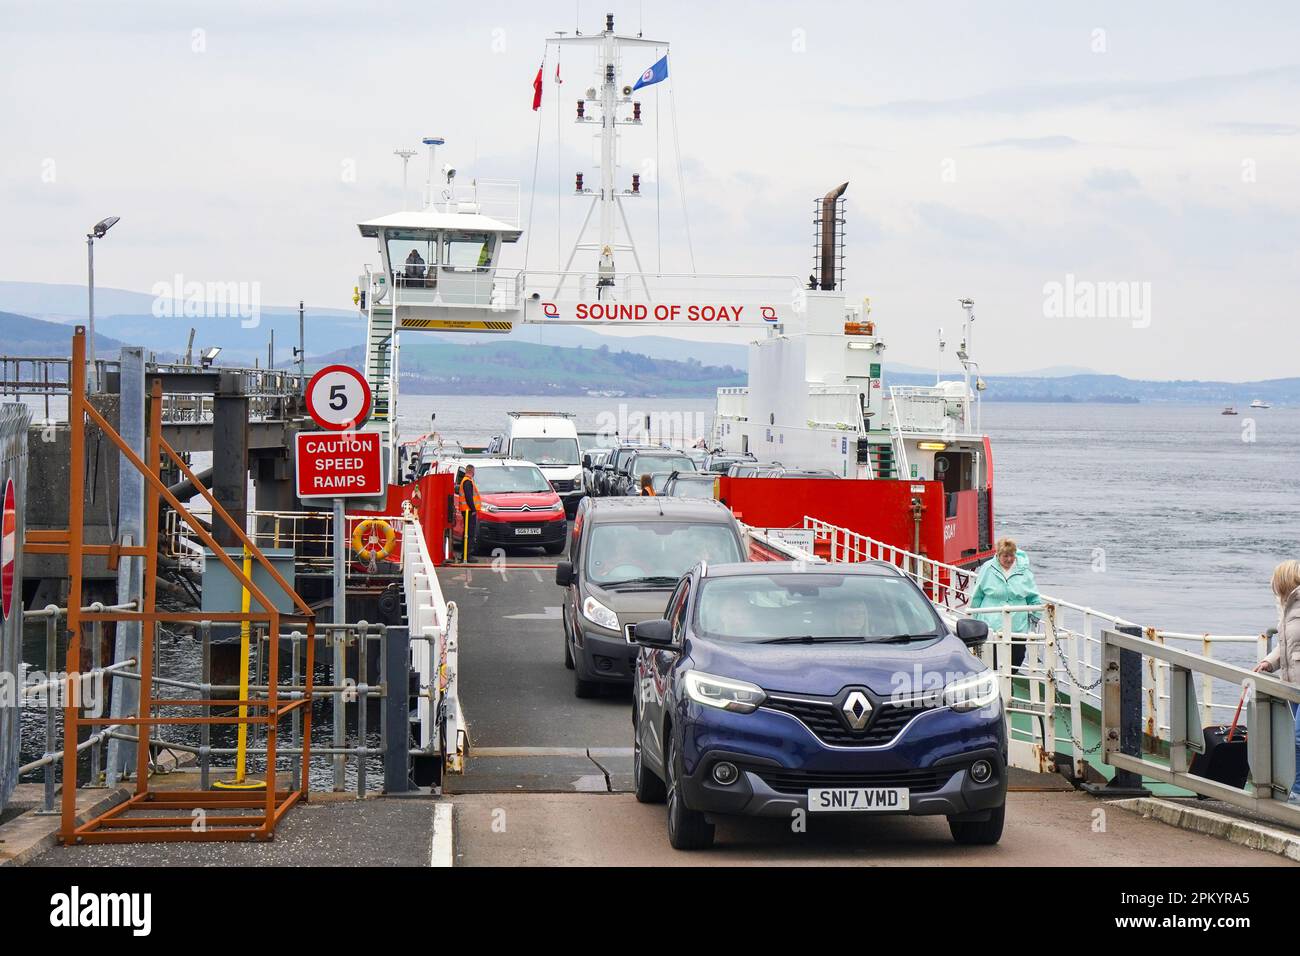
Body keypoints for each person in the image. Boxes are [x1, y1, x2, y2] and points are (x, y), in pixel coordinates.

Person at [1254, 559, 1300, 801]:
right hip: (1292, 683)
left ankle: (1298, 789)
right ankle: (1295, 787)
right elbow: (1286, 645)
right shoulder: (1287, 608)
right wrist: (1269, 663)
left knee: (1297, 735)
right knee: (1292, 735)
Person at [970, 537, 1042, 670]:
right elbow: (977, 594)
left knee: (1017, 657)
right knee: (993, 658)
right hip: (992, 622)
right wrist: (973, 616)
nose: (1009, 559)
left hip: (1017, 624)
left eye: (1012, 556)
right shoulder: (988, 568)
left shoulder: (1024, 571)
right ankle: (998, 684)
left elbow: (1033, 595)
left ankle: (1010, 682)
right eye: (1005, 556)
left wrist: (1036, 614)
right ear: (998, 555)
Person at [458, 465, 482, 563]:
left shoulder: (465, 481)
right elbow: (469, 497)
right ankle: (467, 555)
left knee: (467, 533)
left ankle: (465, 554)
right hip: (469, 511)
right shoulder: (467, 481)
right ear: (472, 471)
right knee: (469, 533)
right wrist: (473, 509)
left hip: (467, 510)